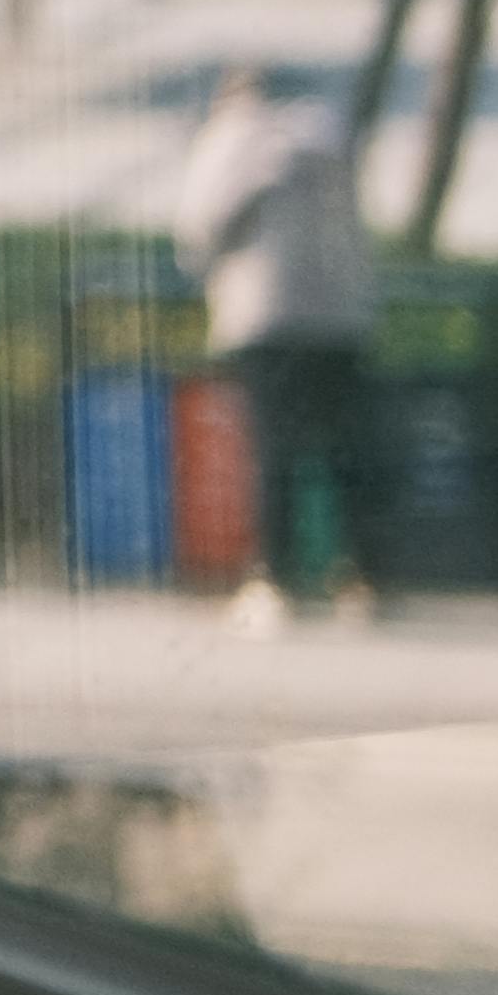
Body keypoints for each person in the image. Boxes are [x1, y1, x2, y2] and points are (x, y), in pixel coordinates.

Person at [175, 60, 385, 621]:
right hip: (341, 318)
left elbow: (197, 229)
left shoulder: (233, 137)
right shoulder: (330, 135)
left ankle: (272, 582)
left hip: (266, 316)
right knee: (343, 450)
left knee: (274, 451)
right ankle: (358, 578)